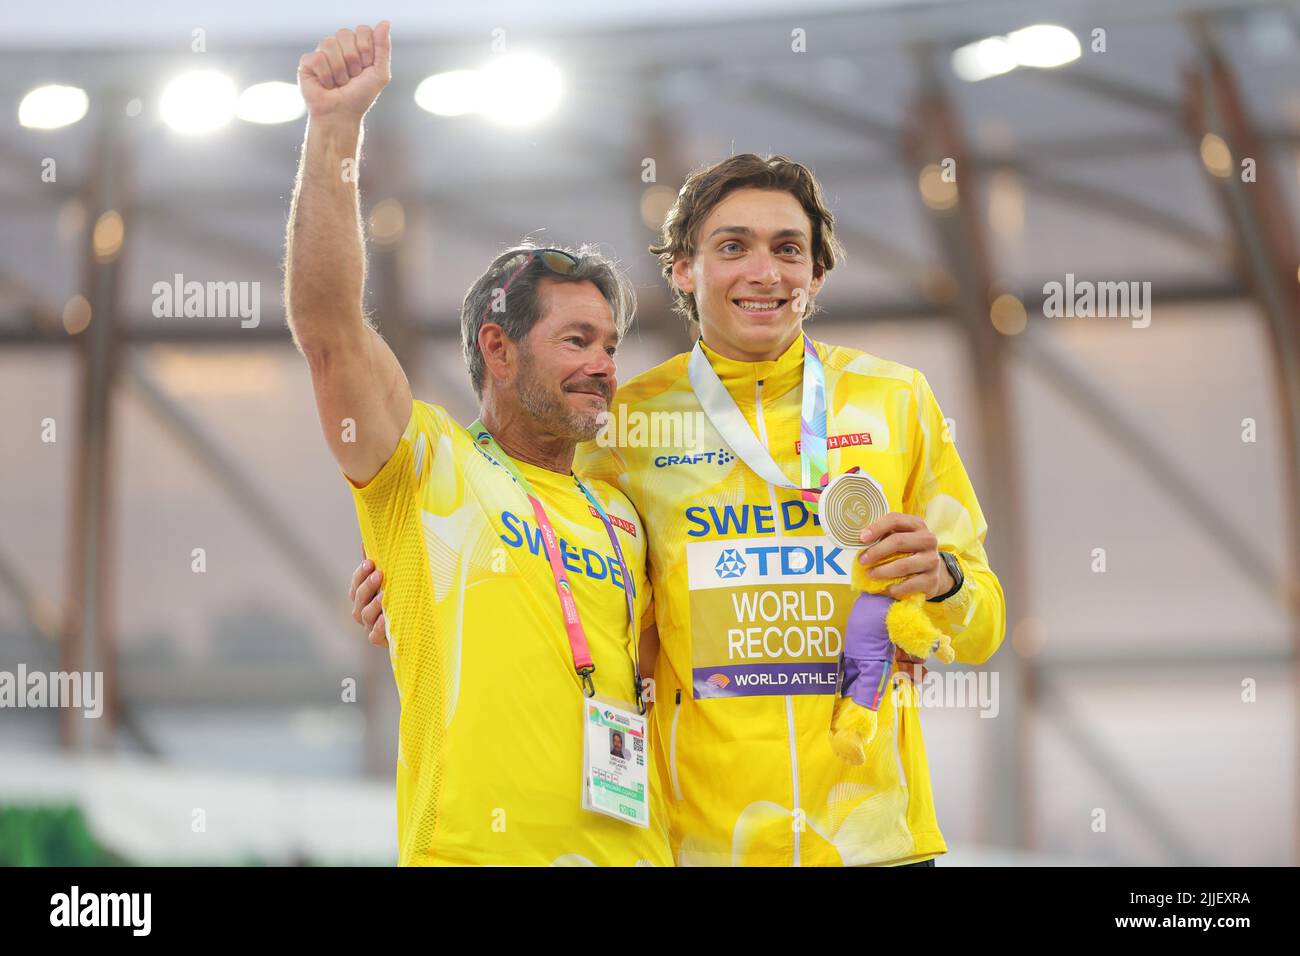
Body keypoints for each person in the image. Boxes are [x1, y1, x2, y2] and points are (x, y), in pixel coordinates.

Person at [352, 157, 1006, 865]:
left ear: (816, 273)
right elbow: (582, 585)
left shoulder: (896, 401)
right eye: (732, 247)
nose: (764, 272)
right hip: (701, 848)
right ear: (683, 272)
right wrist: (436, 589)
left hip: (877, 844)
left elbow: (980, 631)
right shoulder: (625, 425)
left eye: (788, 248)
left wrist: (944, 581)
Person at [287, 22, 670, 866]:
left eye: (610, 345)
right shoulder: (426, 471)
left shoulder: (624, 512)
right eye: (576, 342)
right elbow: (329, 330)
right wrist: (335, 130)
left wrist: (889, 630)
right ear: (498, 350)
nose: (605, 366)